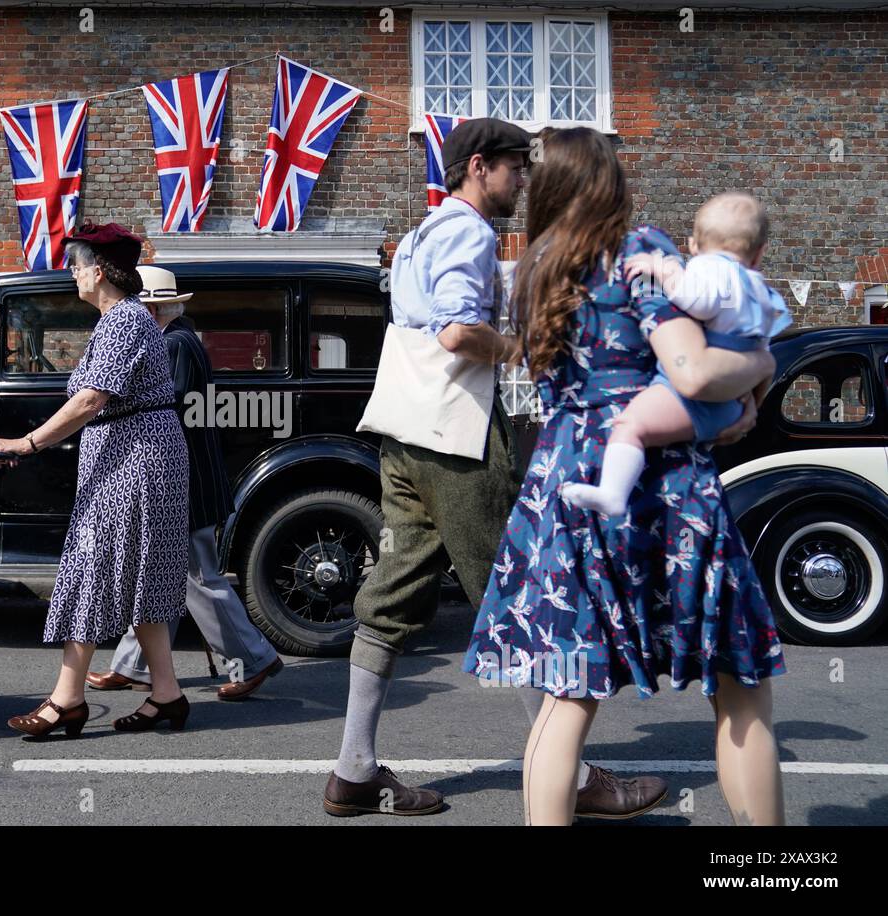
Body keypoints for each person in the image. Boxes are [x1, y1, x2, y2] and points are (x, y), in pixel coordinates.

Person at [323, 118, 666, 819]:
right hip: (459, 438)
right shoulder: (472, 233)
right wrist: (519, 347)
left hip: (406, 432)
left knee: (391, 595)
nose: (522, 183)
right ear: (479, 167)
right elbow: (455, 330)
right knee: (516, 600)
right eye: (515, 169)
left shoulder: (419, 233)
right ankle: (569, 778)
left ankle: (353, 769)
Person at [463, 127, 786, 826]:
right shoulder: (639, 249)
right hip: (663, 484)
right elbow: (693, 370)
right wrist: (761, 367)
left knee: (567, 691)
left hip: (566, 476)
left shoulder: (536, 267)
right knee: (739, 683)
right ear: (611, 183)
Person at [0, 222, 192, 738]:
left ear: (98, 271)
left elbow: (89, 399)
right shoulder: (123, 320)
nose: (73, 274)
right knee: (140, 575)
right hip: (137, 457)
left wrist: (26, 444)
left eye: (77, 265)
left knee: (89, 568)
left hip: (135, 463)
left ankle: (67, 699)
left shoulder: (123, 319)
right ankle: (166, 695)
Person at [86, 265, 284, 701]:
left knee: (196, 577)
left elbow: (158, 409)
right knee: (163, 575)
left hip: (184, 480)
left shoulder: (173, 344)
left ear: (151, 309)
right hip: (184, 476)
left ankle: (252, 659)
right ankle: (134, 666)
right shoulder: (178, 341)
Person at [561, 192, 792, 516]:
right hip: (734, 402)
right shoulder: (762, 291)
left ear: (694, 246)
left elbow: (698, 301)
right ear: (759, 254)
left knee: (630, 424)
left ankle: (612, 493)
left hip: (693, 397)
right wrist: (751, 402)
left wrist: (666, 271)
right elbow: (763, 353)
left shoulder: (711, 270)